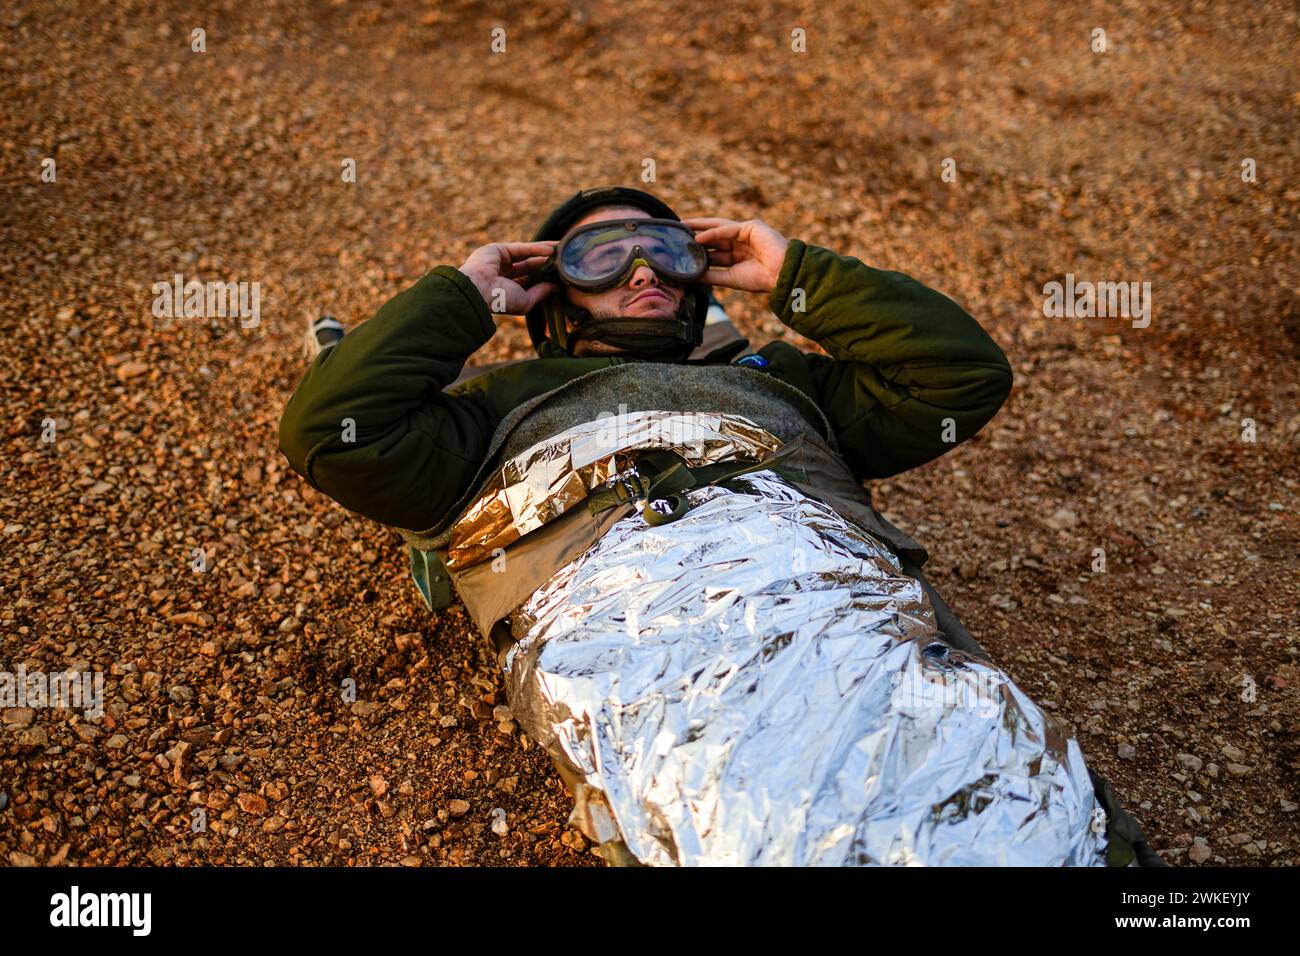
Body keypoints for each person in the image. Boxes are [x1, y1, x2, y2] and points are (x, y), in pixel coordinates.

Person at [278, 185, 1160, 866]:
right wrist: (468, 297)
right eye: (600, 257)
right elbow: (330, 429)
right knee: (750, 808)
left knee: (986, 769)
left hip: (830, 600)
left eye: (665, 251)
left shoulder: (782, 380)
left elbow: (964, 377)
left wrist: (796, 277)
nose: (641, 270)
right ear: (550, 304)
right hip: (634, 624)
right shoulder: (487, 409)